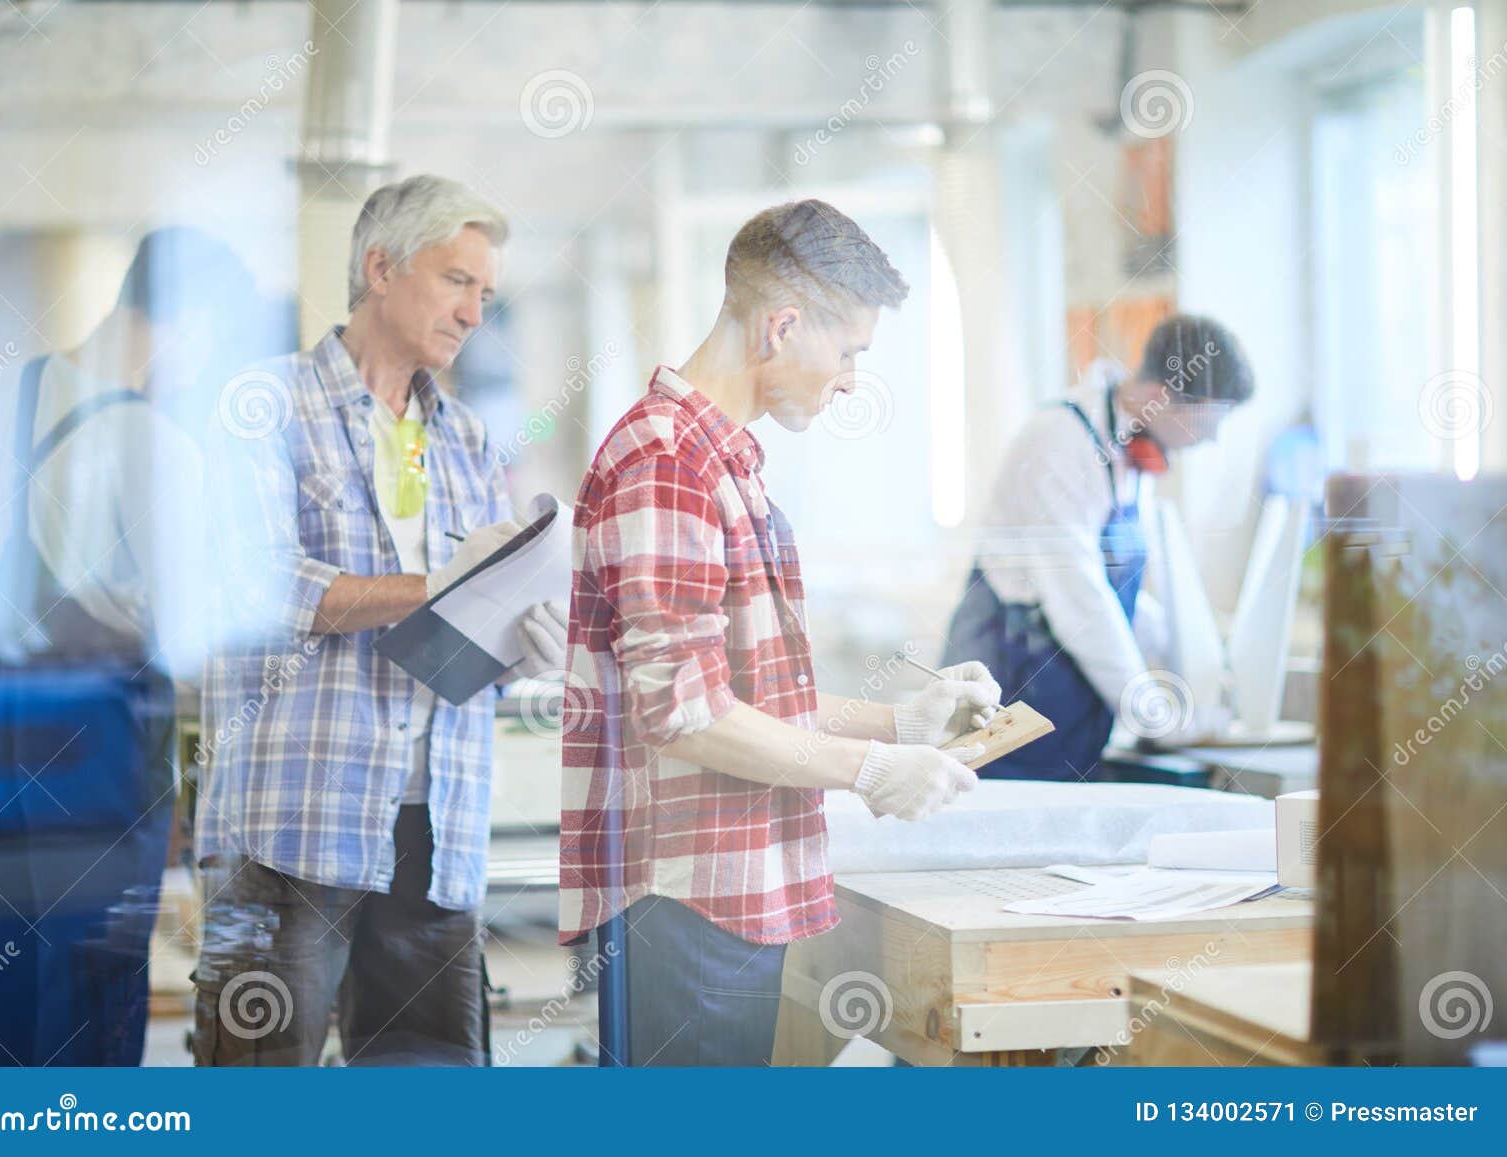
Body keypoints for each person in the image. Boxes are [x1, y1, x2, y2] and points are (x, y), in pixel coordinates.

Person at [559, 200, 1002, 1067]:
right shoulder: (667, 462)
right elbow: (687, 716)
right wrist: (873, 772)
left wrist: (905, 721)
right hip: (685, 899)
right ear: (783, 325)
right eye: (848, 353)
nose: (847, 380)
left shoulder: (722, 460)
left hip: (728, 889)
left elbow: (753, 700)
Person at [193, 175, 567, 1067]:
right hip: (294, 824)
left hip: (433, 827)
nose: (476, 313)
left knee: (426, 1091)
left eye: (487, 292)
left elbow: (459, 623)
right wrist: (441, 580)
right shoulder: (265, 406)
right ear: (380, 268)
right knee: (258, 1080)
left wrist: (522, 633)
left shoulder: (466, 438)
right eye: (457, 281)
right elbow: (264, 588)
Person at [0, 226, 260, 1066]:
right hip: (99, 736)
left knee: (9, 981)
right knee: (92, 995)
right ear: (186, 324)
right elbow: (189, 634)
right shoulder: (162, 445)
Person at [941, 314, 1256, 779]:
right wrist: (1150, 710)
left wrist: (1197, 658)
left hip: (1068, 708)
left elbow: (1120, 596)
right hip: (1011, 693)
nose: (1211, 438)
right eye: (1208, 421)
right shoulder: (1058, 442)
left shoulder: (1129, 451)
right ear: (1160, 399)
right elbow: (1079, 598)